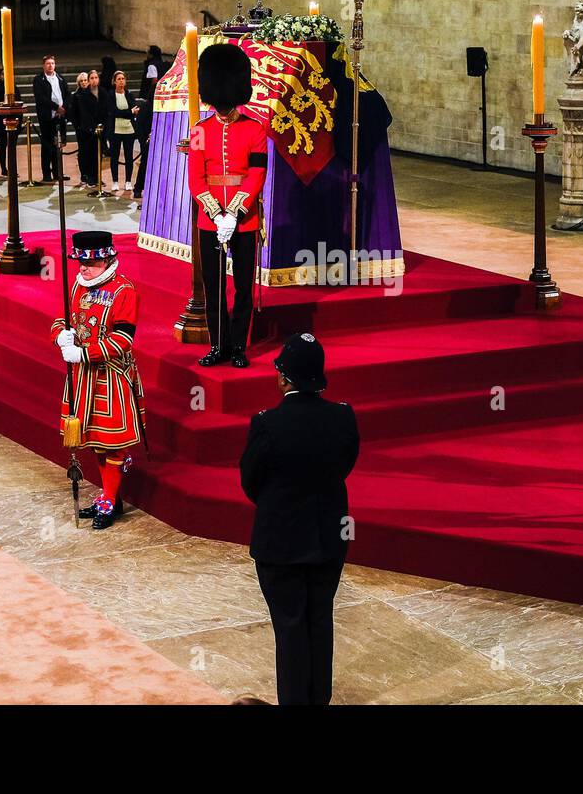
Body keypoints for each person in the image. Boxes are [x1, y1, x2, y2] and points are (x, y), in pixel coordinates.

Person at [240, 332, 358, 705]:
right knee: (319, 622)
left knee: (290, 628)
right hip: (328, 540)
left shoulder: (267, 424)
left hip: (282, 543)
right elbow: (344, 465)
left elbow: (251, 481)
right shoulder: (342, 416)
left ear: (283, 377)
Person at [50, 231, 148, 530]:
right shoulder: (77, 286)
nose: (82, 268)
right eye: (80, 262)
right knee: (92, 439)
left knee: (112, 443)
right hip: (82, 379)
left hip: (110, 377)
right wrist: (61, 337)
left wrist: (85, 353)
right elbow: (60, 319)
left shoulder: (124, 290)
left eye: (89, 263)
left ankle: (109, 496)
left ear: (107, 260)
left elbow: (123, 339)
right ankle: (110, 494)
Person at [189, 42, 268, 369]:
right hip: (210, 221)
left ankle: (238, 346)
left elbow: (257, 173)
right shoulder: (199, 131)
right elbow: (196, 179)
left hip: (245, 219)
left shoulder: (255, 129)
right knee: (214, 285)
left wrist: (234, 212)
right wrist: (215, 212)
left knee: (243, 288)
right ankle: (218, 344)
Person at [31, 54, 69, 183]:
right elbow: (41, 98)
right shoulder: (38, 80)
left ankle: (58, 173)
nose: (50, 66)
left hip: (60, 116)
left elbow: (67, 95)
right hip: (47, 117)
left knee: (58, 146)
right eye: (48, 63)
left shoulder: (60, 78)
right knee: (47, 146)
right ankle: (46, 174)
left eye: (52, 63)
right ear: (43, 65)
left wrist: (63, 108)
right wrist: (55, 107)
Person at [105, 70, 138, 193]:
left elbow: (134, 110)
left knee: (129, 157)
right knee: (115, 156)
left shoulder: (129, 95)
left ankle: (128, 181)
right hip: (115, 130)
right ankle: (115, 181)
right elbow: (114, 112)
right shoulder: (110, 95)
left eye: (123, 79)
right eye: (118, 79)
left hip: (129, 130)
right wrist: (129, 112)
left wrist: (129, 113)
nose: (121, 81)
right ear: (114, 81)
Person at [71, 69, 102, 188]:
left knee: (94, 153)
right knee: (84, 153)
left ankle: (94, 176)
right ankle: (85, 175)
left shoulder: (94, 94)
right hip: (82, 130)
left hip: (93, 129)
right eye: (82, 81)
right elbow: (73, 113)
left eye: (86, 80)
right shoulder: (76, 96)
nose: (84, 82)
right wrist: (78, 126)